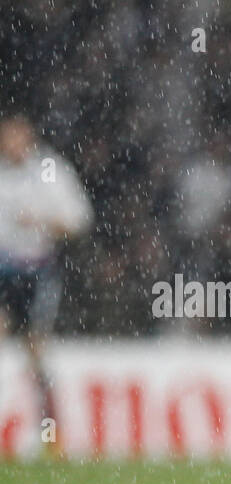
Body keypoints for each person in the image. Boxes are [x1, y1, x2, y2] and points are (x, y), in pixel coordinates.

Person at [0, 111, 93, 449]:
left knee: (36, 350)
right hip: (3, 268)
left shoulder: (50, 171)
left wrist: (41, 221)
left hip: (36, 271)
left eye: (16, 136)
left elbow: (79, 220)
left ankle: (52, 433)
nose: (11, 144)